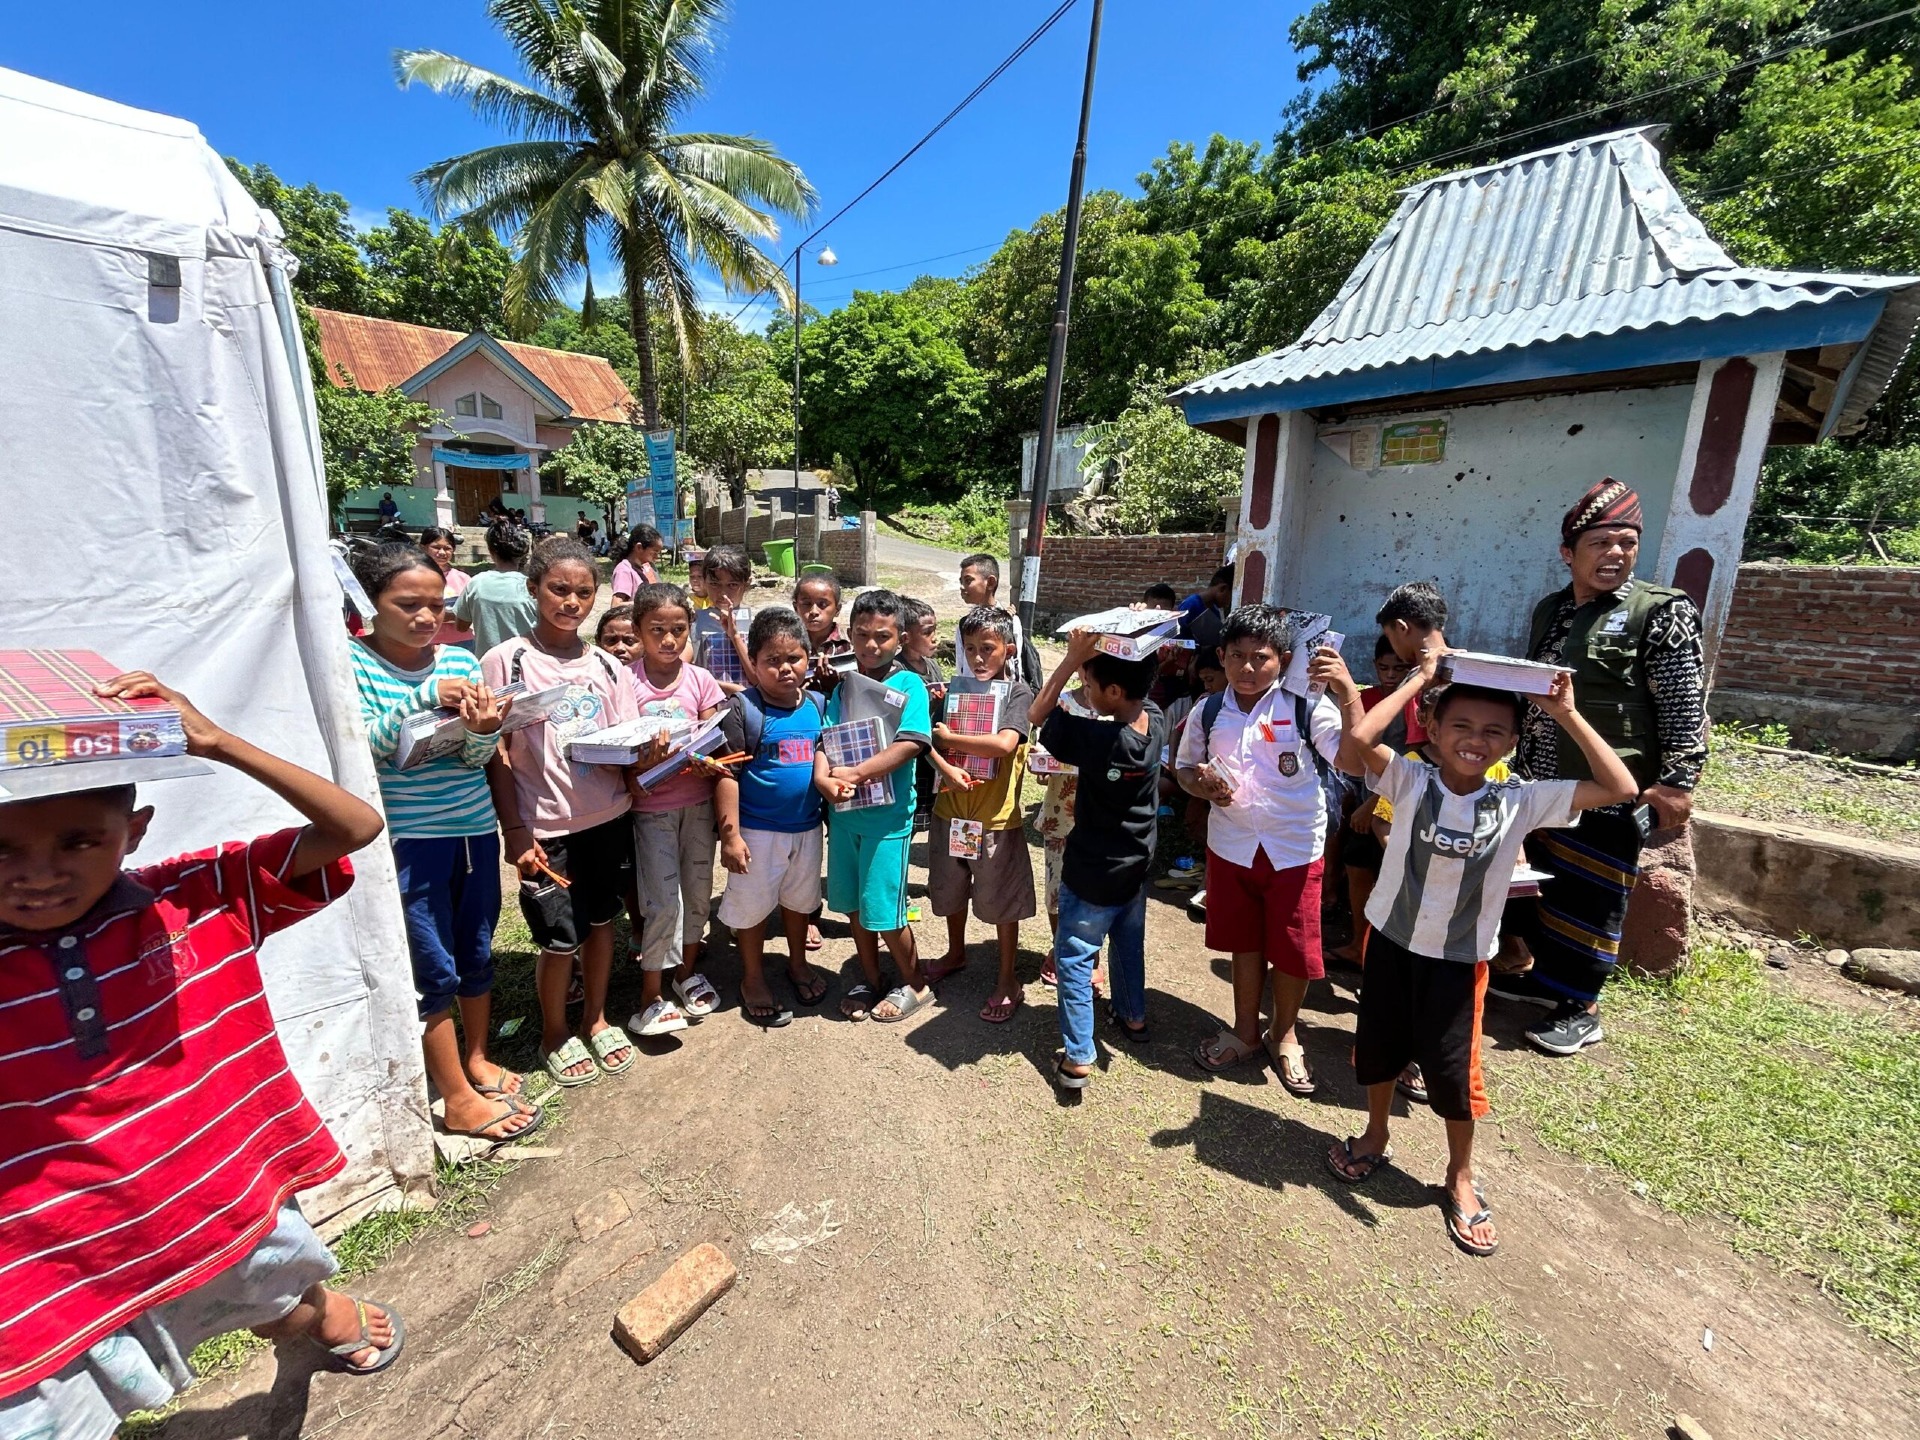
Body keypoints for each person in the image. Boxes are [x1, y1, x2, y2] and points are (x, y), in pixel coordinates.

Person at [0, 672, 399, 1432]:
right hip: (53, 1254)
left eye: (79, 840)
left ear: (135, 832)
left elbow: (352, 827)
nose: (39, 873)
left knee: (273, 1283)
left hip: (213, 1192)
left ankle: (317, 1318)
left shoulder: (195, 898)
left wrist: (216, 742)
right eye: (1, 849)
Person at [1315, 645, 1637, 1256]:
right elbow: (1359, 739)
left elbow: (1618, 785)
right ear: (1432, 730)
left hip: (1462, 961)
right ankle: (1375, 1133)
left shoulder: (1518, 799)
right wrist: (1420, 681)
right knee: (1379, 1047)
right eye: (1459, 725)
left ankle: (1459, 1172)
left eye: (1494, 731)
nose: (1475, 740)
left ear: (1512, 742)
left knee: (1453, 1072)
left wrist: (1563, 712)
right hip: (1389, 941)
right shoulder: (1408, 777)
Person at [1501, 479, 1708, 1057]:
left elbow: (1682, 702)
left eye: (1626, 543)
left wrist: (1678, 780)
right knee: (1542, 886)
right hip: (1542, 778)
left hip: (1612, 784)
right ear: (1570, 553)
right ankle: (1543, 982)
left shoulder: (1660, 614)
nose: (1615, 554)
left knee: (1594, 892)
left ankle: (1582, 1007)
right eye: (1601, 543)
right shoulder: (1552, 610)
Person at [347, 543, 540, 1144]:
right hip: (411, 839)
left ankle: (476, 1058)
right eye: (410, 604)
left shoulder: (458, 661)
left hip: (473, 828)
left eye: (438, 604)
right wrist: (424, 699)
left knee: (476, 947)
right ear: (371, 604)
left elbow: (477, 759)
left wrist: (483, 732)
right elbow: (366, 746)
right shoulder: (352, 666)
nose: (428, 617)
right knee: (431, 964)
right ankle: (454, 1096)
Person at [483, 536, 642, 1087]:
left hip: (608, 818)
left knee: (602, 925)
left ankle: (596, 1019)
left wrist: (652, 749)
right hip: (546, 828)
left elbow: (627, 739)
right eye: (558, 590)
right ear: (533, 589)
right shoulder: (507, 660)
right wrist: (515, 827)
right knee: (559, 938)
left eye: (582, 592)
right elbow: (495, 751)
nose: (570, 602)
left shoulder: (607, 665)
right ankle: (555, 1030)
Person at [1176, 605, 1343, 1091]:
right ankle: (1246, 1030)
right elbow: (1185, 768)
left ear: (1284, 659)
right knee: (1244, 942)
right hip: (1231, 846)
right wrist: (1201, 787)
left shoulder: (1308, 706)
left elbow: (1350, 757)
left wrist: (1347, 693)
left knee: (1293, 951)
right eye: (1236, 657)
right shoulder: (1208, 711)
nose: (1247, 669)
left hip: (1294, 849)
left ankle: (1284, 1034)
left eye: (1261, 658)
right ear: (1222, 657)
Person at [1031, 629, 1165, 1089]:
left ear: (1112, 691)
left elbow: (1036, 713)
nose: (1085, 693)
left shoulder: (1099, 740)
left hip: (1092, 871)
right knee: (1127, 943)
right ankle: (1132, 1015)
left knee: (1074, 957)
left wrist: (1070, 660)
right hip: (1136, 864)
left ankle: (1078, 1055)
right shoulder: (1155, 717)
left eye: (1091, 687)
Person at [818, 589, 934, 1024]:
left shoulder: (909, 685)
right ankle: (870, 978)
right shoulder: (844, 686)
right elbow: (825, 740)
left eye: (881, 636)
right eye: (862, 635)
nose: (870, 645)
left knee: (885, 909)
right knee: (852, 904)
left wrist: (857, 773)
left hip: (887, 820)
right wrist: (823, 779)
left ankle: (915, 983)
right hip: (845, 816)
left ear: (900, 639)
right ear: (848, 635)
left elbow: (912, 743)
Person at [714, 608, 833, 1023]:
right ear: (754, 662)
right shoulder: (742, 709)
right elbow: (726, 773)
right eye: (771, 661)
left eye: (794, 659)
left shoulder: (817, 704)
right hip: (757, 830)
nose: (784, 669)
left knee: (800, 902)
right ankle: (752, 975)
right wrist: (731, 837)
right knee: (751, 906)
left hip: (806, 828)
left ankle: (797, 962)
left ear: (808, 655)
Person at [924, 606, 1037, 1023]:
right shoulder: (953, 690)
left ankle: (1008, 979)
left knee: (1000, 899)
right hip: (952, 810)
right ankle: (956, 953)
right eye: (969, 648)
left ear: (1008, 650)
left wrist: (952, 737)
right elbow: (927, 741)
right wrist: (945, 764)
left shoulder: (1018, 694)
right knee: (951, 887)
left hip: (994, 819)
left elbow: (1006, 745)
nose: (977, 657)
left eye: (987, 648)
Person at [625, 582, 726, 1038]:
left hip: (698, 806)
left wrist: (710, 759)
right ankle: (650, 994)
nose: (669, 640)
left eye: (678, 630)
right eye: (657, 630)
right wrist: (645, 759)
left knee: (698, 893)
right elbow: (615, 745)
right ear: (638, 631)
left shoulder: (700, 679)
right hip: (651, 811)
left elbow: (718, 734)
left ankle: (685, 973)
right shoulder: (625, 681)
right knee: (663, 902)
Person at [1328, 637, 1412, 964]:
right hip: (1370, 795)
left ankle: (1370, 952)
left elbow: (1408, 763)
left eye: (1399, 668)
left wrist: (1371, 804)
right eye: (1384, 667)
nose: (1391, 675)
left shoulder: (1416, 707)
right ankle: (1360, 945)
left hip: (1394, 804)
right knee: (1358, 862)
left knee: (1379, 872)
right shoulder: (1370, 699)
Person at [454, 519, 539, 656]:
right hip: (527, 666)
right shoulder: (532, 587)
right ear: (523, 552)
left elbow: (461, 626)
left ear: (490, 550)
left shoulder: (476, 583)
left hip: (489, 667)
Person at [958, 553, 1042, 687]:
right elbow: (961, 668)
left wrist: (1015, 694)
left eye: (968, 581)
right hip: (972, 695)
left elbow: (1017, 665)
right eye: (961, 582)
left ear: (990, 582)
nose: (962, 587)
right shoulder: (965, 624)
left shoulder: (1010, 621)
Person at [898, 595, 944, 834]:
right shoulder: (898, 671)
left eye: (935, 630)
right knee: (908, 819)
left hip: (931, 755)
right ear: (906, 638)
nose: (934, 638)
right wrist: (929, 705)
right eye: (928, 632)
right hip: (910, 757)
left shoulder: (932, 665)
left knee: (928, 811)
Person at [690, 544, 753, 693]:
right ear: (704, 582)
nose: (723, 593)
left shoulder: (757, 623)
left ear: (747, 584)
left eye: (732, 585)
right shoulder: (693, 622)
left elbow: (759, 676)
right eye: (714, 584)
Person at [420, 525, 475, 651]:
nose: (442, 553)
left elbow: (474, 610)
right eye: (436, 547)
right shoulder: (415, 578)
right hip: (427, 642)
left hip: (463, 642)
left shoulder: (463, 579)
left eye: (447, 548)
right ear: (423, 548)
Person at [794, 570, 852, 685]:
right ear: (796, 607)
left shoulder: (849, 645)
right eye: (806, 604)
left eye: (823, 605)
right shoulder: (790, 643)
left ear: (837, 610)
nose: (814, 611)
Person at [1177, 566, 1235, 653]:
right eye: (1231, 596)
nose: (1229, 602)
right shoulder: (1191, 605)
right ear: (1223, 589)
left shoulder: (1215, 611)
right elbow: (1177, 641)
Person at [612, 524, 664, 602]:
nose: (656, 557)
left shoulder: (646, 567)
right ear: (639, 547)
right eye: (655, 552)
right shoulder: (624, 571)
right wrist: (647, 605)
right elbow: (616, 605)